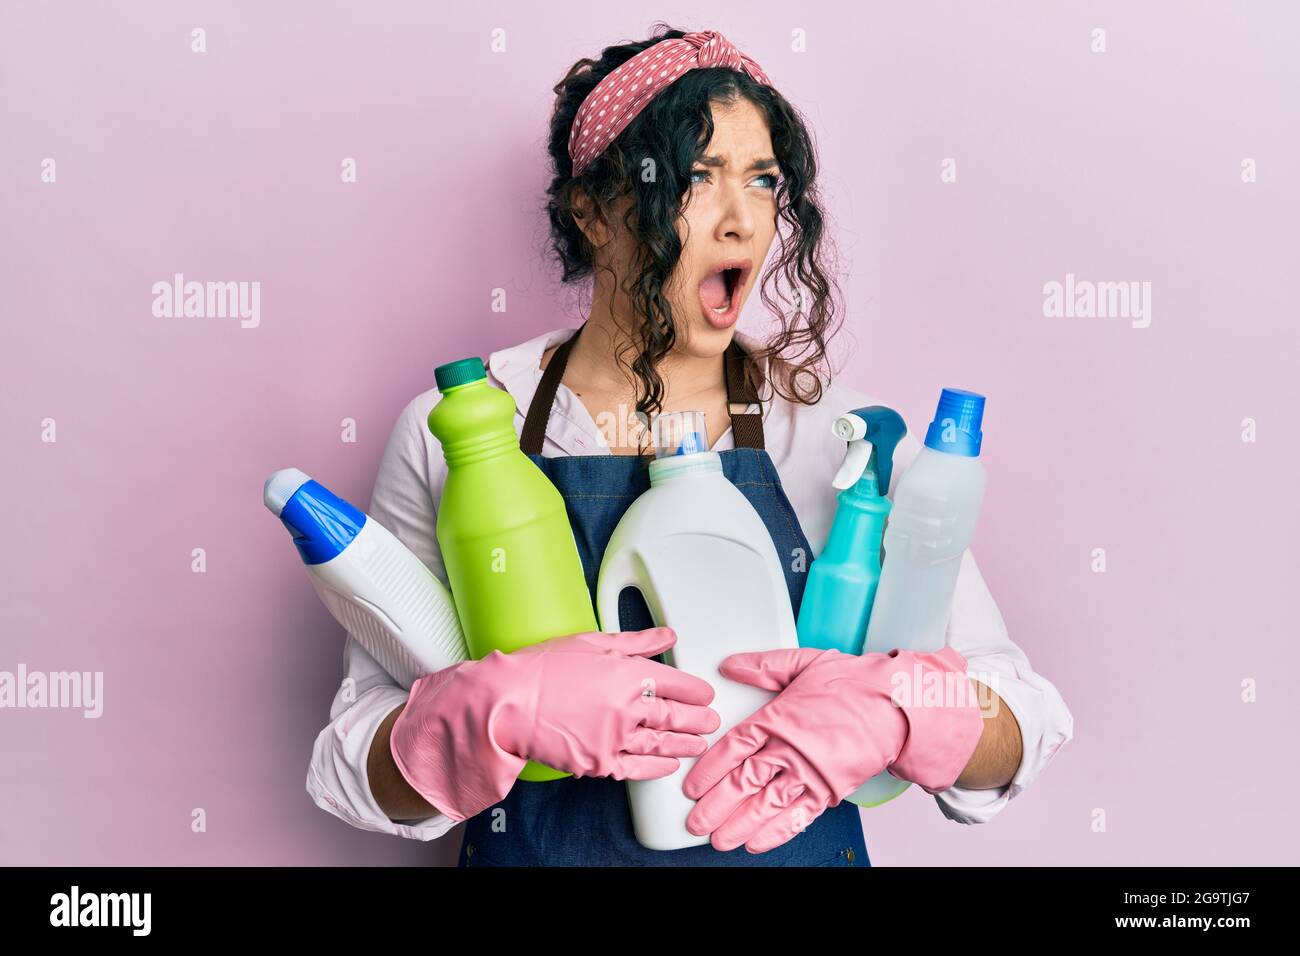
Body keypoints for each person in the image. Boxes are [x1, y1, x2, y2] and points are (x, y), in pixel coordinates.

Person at [307, 25, 1073, 866]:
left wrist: (905, 709)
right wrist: (480, 713)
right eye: (695, 180)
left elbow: (1024, 718)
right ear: (592, 212)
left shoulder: (836, 435)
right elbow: (353, 765)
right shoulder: (462, 426)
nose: (743, 223)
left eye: (762, 181)